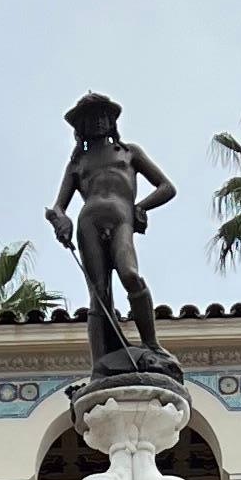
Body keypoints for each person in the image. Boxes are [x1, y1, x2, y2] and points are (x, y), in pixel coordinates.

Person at [47, 93, 178, 378]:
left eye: (104, 115)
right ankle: (99, 365)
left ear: (112, 121)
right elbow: (59, 205)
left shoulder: (129, 152)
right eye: (92, 117)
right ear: (80, 126)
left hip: (122, 219)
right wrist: (61, 219)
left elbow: (166, 187)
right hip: (89, 222)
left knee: (130, 275)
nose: (99, 121)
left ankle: (151, 343)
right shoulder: (77, 164)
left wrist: (140, 207)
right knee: (99, 294)